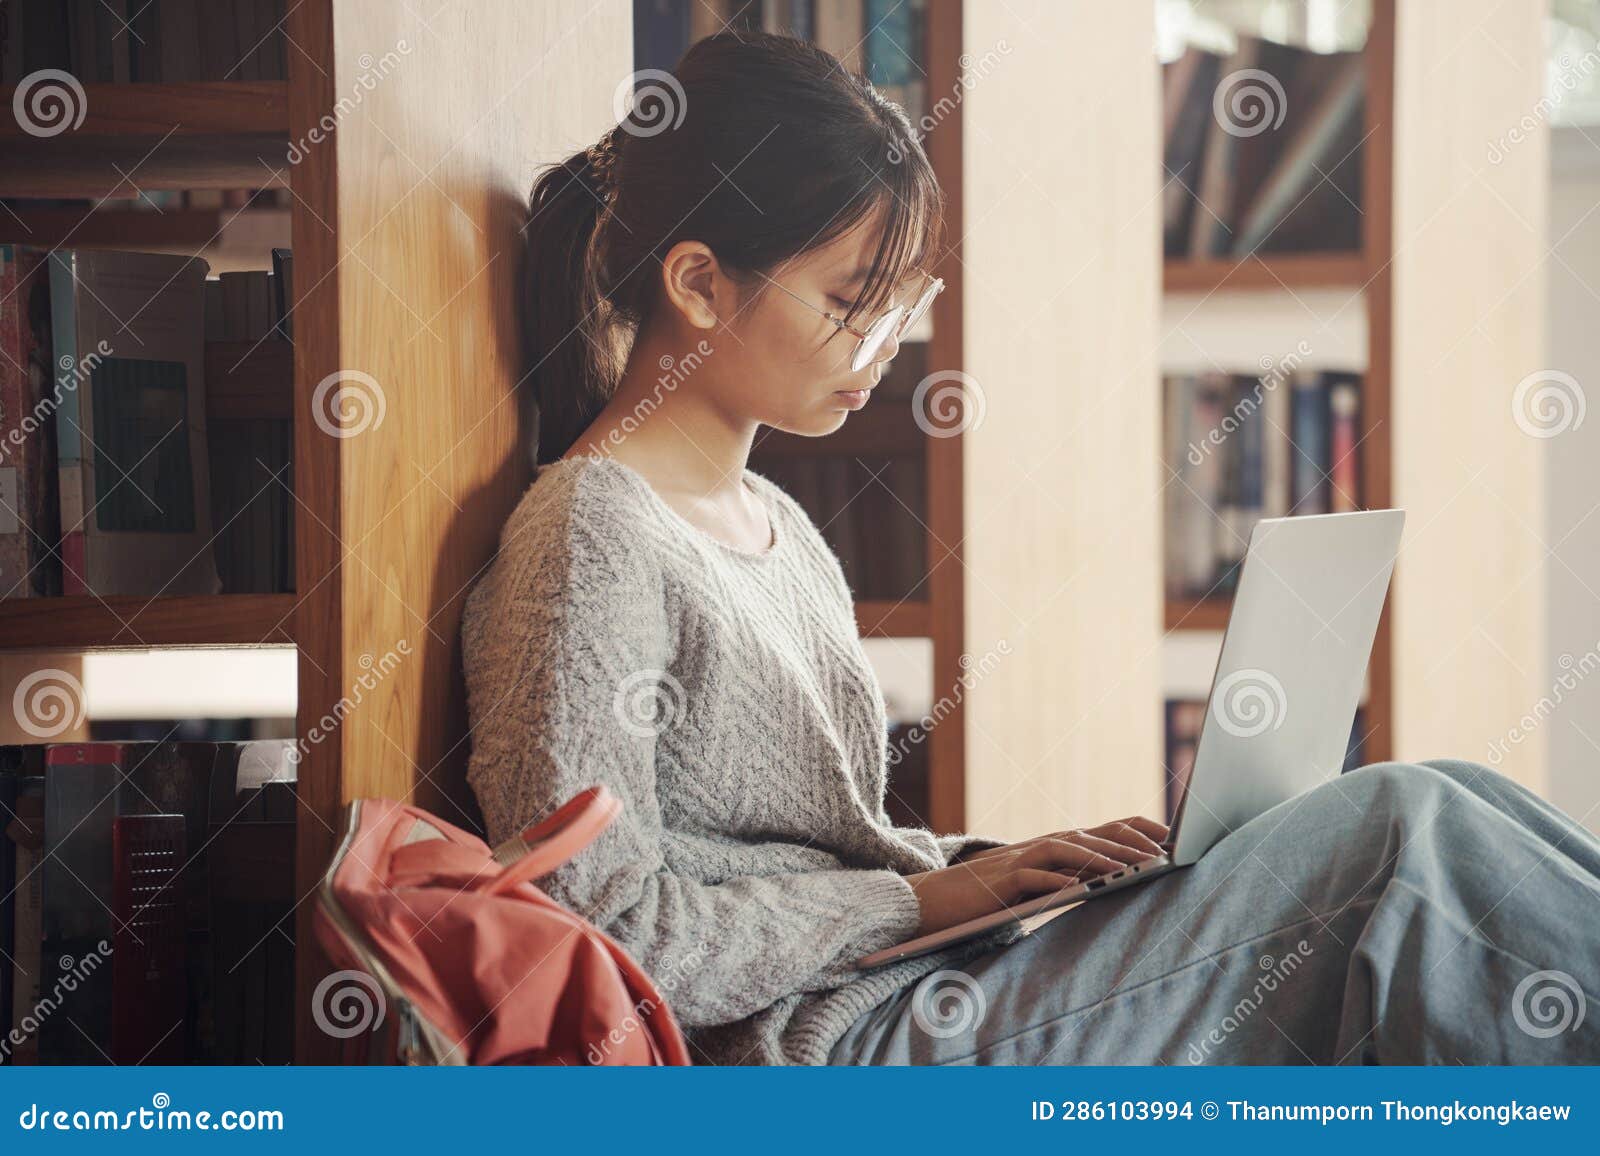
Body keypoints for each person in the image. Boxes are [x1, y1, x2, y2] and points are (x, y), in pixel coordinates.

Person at [460, 31, 1599, 1065]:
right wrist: (928, 904)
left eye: (909, 301)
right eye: (855, 300)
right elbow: (592, 928)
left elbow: (825, 853)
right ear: (700, 283)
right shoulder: (590, 536)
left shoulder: (779, 528)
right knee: (1398, 831)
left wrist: (1000, 869)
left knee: (1450, 797)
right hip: (830, 1044)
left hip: (916, 979)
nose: (889, 346)